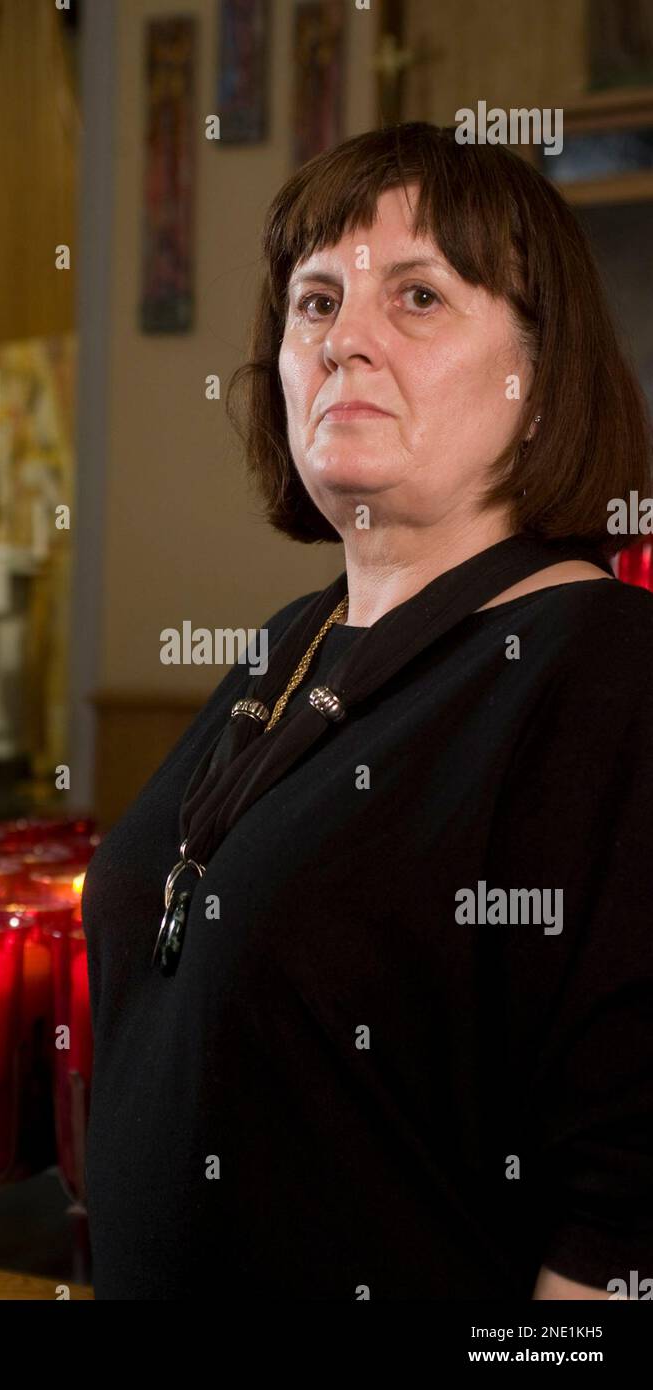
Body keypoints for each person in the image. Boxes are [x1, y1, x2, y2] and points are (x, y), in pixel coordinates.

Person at [81, 123, 653, 1300]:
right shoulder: (288, 642)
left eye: (418, 297)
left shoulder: (601, 666)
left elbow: (623, 1205)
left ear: (537, 383)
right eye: (314, 300)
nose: (344, 339)